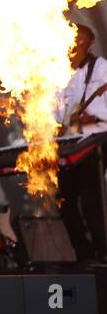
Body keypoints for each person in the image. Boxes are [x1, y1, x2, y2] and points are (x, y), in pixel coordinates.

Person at [55, 23, 107, 264]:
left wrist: (94, 116)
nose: (76, 44)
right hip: (69, 144)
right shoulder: (57, 72)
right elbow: (56, 111)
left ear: (90, 43)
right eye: (73, 39)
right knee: (64, 200)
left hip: (95, 141)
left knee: (91, 199)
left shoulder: (102, 68)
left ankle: (102, 253)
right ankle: (83, 253)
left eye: (81, 40)